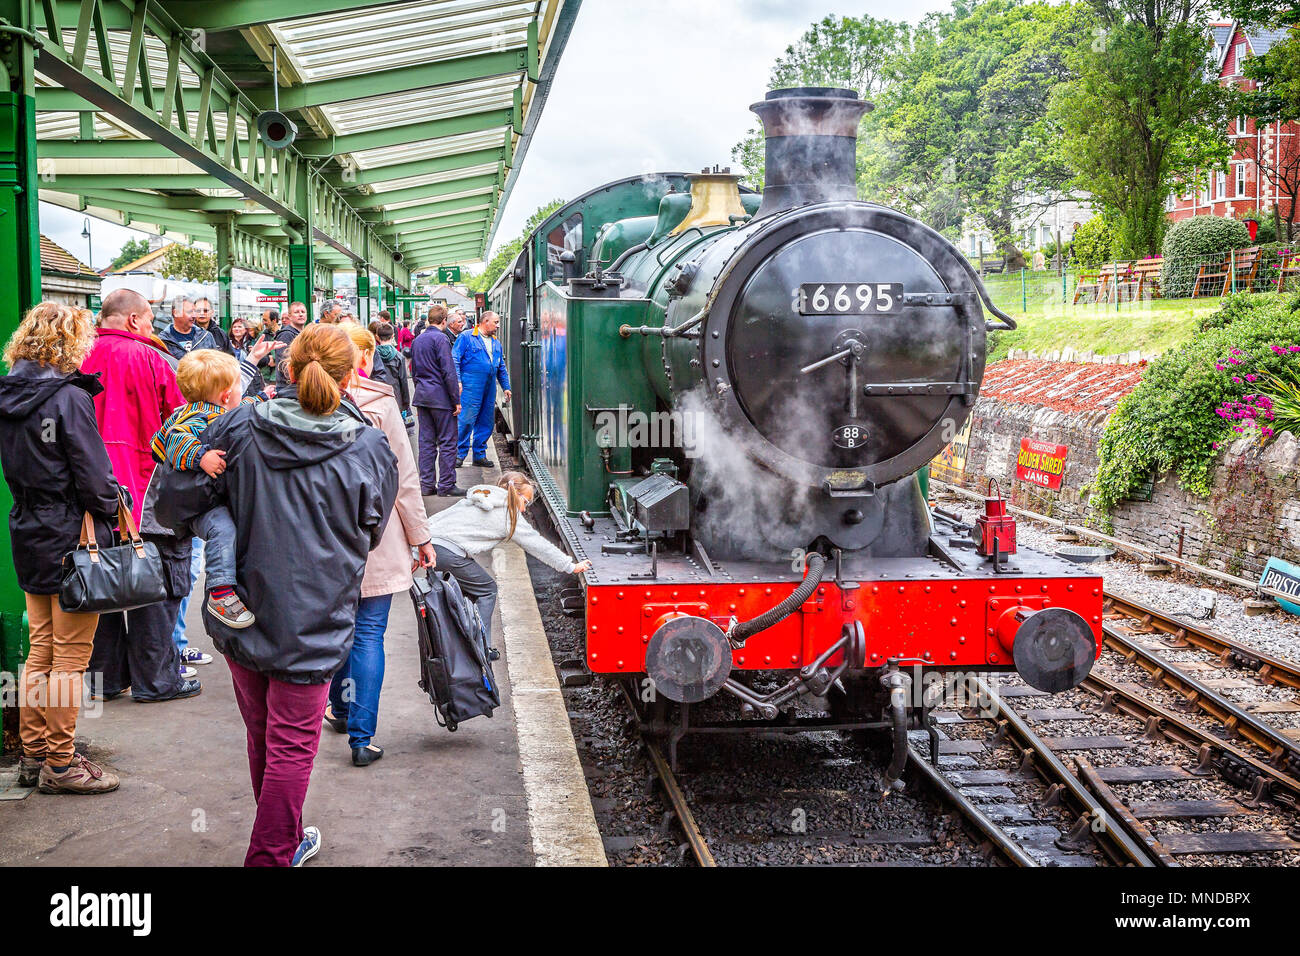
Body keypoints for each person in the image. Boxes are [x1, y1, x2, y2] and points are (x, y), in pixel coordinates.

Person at [201, 324, 397, 866]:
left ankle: (280, 839)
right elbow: (372, 530)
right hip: (317, 615)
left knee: (262, 733)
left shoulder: (237, 424)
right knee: (291, 744)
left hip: (239, 608)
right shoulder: (368, 444)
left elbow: (189, 500)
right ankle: (271, 854)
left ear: (287, 369)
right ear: (353, 374)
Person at [0, 303, 122, 793]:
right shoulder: (68, 399)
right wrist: (115, 503)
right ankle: (61, 763)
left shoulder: (7, 394)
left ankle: (34, 754)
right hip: (72, 534)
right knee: (71, 655)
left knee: (41, 649)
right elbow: (94, 479)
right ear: (71, 342)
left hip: (27, 525)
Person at [81, 289, 200, 703]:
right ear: (133, 320)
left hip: (92, 495)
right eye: (149, 319)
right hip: (149, 495)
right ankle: (156, 681)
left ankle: (106, 679)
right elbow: (181, 425)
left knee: (102, 582)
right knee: (157, 589)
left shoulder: (80, 358)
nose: (152, 327)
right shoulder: (154, 359)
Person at [323, 325, 433, 765]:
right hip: (376, 537)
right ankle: (361, 739)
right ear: (359, 361)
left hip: (320, 541)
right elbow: (404, 480)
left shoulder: (287, 405)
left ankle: (341, 709)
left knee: (334, 632)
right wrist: (421, 538)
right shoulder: (381, 405)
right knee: (369, 633)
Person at [151, 349, 272, 630]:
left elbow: (155, 444)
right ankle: (220, 592)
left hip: (195, 502)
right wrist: (199, 456)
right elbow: (169, 441)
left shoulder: (193, 411)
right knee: (223, 531)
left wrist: (263, 397)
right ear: (226, 395)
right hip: (199, 507)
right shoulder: (196, 419)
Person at [427, 472, 590, 636]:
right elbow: (538, 545)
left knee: (466, 589)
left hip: (432, 547)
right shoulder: (508, 515)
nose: (525, 508)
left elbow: (438, 520)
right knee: (487, 589)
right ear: (516, 495)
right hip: (447, 553)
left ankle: (459, 638)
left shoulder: (478, 499)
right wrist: (570, 566)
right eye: (525, 501)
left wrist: (415, 549)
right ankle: (480, 644)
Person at [411, 305, 461, 495]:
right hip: (441, 398)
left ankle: (426, 485)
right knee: (448, 442)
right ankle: (446, 485)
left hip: (423, 396)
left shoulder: (418, 340)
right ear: (444, 321)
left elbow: (414, 372)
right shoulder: (442, 339)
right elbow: (448, 371)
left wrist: (420, 393)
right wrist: (455, 399)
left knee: (426, 442)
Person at [452, 310, 510, 468]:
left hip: (489, 385)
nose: (498, 326)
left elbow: (501, 367)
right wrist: (457, 381)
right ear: (485, 321)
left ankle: (479, 454)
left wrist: (506, 387)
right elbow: (455, 358)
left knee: (486, 420)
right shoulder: (467, 337)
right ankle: (459, 454)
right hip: (471, 384)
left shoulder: (496, 342)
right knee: (466, 419)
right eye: (496, 322)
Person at [374, 321, 412, 423]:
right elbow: (403, 381)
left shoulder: (372, 355)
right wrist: (406, 403)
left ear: (377, 337)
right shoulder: (399, 356)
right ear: (393, 336)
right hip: (395, 395)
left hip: (377, 395)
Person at [273, 300, 308, 386]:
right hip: (288, 386)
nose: (300, 314)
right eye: (296, 312)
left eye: (303, 312)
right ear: (290, 316)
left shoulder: (303, 334)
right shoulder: (286, 334)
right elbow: (284, 363)